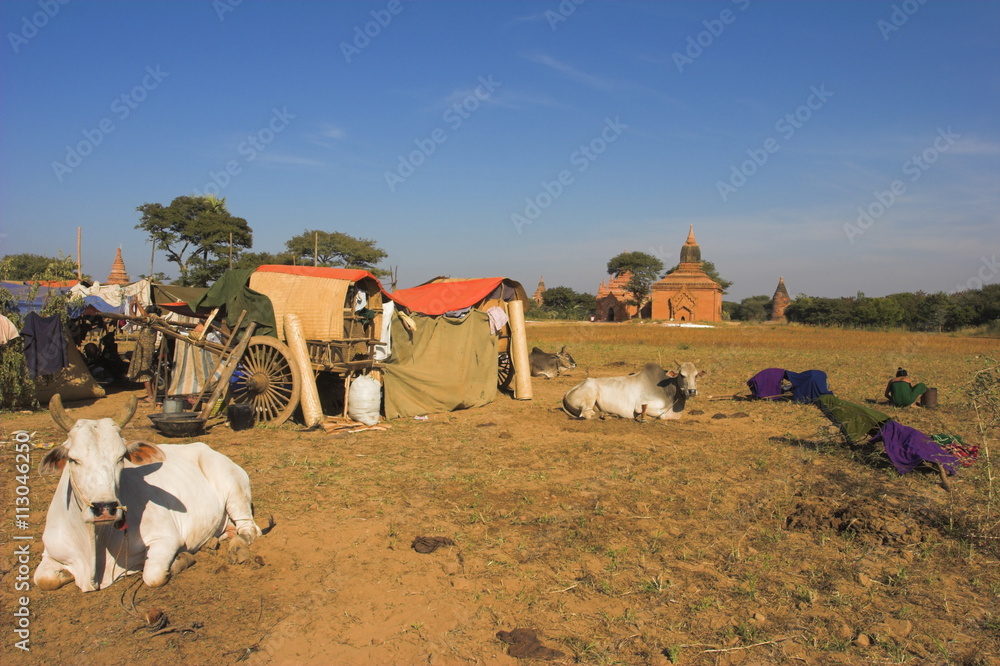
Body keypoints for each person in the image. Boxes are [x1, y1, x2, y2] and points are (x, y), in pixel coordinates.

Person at [127, 304, 161, 404]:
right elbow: (136, 318)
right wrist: (133, 305)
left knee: (145, 371)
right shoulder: (148, 320)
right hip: (143, 350)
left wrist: (134, 305)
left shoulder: (153, 318)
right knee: (147, 371)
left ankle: (150, 395)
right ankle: (152, 394)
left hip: (146, 351)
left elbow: (139, 317)